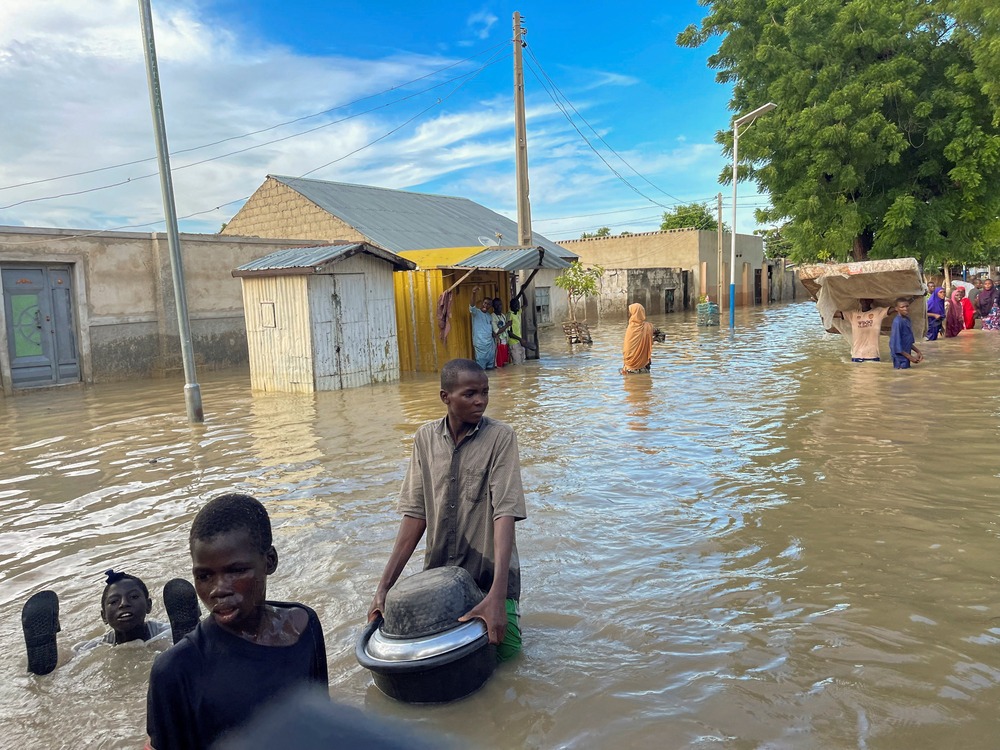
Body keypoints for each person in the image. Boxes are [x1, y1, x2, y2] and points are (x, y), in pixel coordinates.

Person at [368, 358, 527, 662]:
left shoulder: (500, 438)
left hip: (490, 578)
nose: (480, 401)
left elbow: (505, 513)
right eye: (470, 394)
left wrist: (496, 597)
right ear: (446, 397)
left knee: (510, 662)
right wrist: (383, 588)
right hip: (439, 585)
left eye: (485, 392)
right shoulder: (425, 440)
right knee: (435, 663)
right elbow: (416, 515)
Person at [146, 493, 328, 750]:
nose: (218, 589)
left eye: (236, 571)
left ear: (270, 561)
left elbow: (324, 722)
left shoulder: (303, 625)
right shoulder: (175, 670)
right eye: (205, 575)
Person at [889, 298, 922, 369]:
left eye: (907, 306)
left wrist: (918, 351)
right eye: (902, 307)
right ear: (896, 309)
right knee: (901, 375)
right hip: (900, 357)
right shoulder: (897, 322)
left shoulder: (907, 319)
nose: (905, 308)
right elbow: (896, 346)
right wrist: (911, 358)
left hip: (906, 353)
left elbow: (908, 341)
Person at [621, 302, 653, 374]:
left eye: (631, 312)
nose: (629, 314)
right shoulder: (649, 327)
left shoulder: (630, 328)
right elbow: (661, 336)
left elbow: (627, 350)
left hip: (629, 368)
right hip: (644, 367)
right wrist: (650, 341)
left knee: (631, 384)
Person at [469, 288, 495, 370]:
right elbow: (472, 305)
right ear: (482, 303)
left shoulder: (489, 316)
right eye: (485, 303)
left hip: (490, 346)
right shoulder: (476, 312)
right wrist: (473, 293)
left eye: (489, 304)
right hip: (480, 345)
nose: (486, 305)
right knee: (481, 369)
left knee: (491, 369)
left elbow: (490, 330)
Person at [492, 297, 510, 368]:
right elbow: (496, 331)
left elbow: (506, 330)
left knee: (505, 363)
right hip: (498, 343)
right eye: (496, 305)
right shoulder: (492, 316)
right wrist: (507, 325)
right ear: (493, 306)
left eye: (500, 304)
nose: (499, 306)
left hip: (505, 342)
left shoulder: (503, 315)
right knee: (499, 365)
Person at [507, 298, 526, 365]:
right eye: (515, 305)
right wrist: (520, 339)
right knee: (517, 365)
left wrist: (523, 291)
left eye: (518, 304)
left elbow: (526, 304)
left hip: (519, 342)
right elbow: (509, 332)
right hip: (513, 343)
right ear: (510, 306)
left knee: (521, 365)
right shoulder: (510, 315)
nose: (517, 306)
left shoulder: (517, 313)